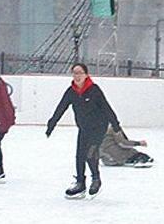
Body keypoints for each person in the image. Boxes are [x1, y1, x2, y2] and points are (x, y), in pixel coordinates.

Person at [47, 63, 121, 199]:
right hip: (84, 128)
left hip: (99, 127)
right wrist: (52, 123)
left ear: (86, 74)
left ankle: (96, 179)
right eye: (74, 73)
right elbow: (61, 107)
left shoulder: (94, 90)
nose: (77, 76)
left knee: (90, 153)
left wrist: (116, 125)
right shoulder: (71, 92)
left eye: (80, 73)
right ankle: (80, 183)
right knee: (79, 155)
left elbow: (106, 107)